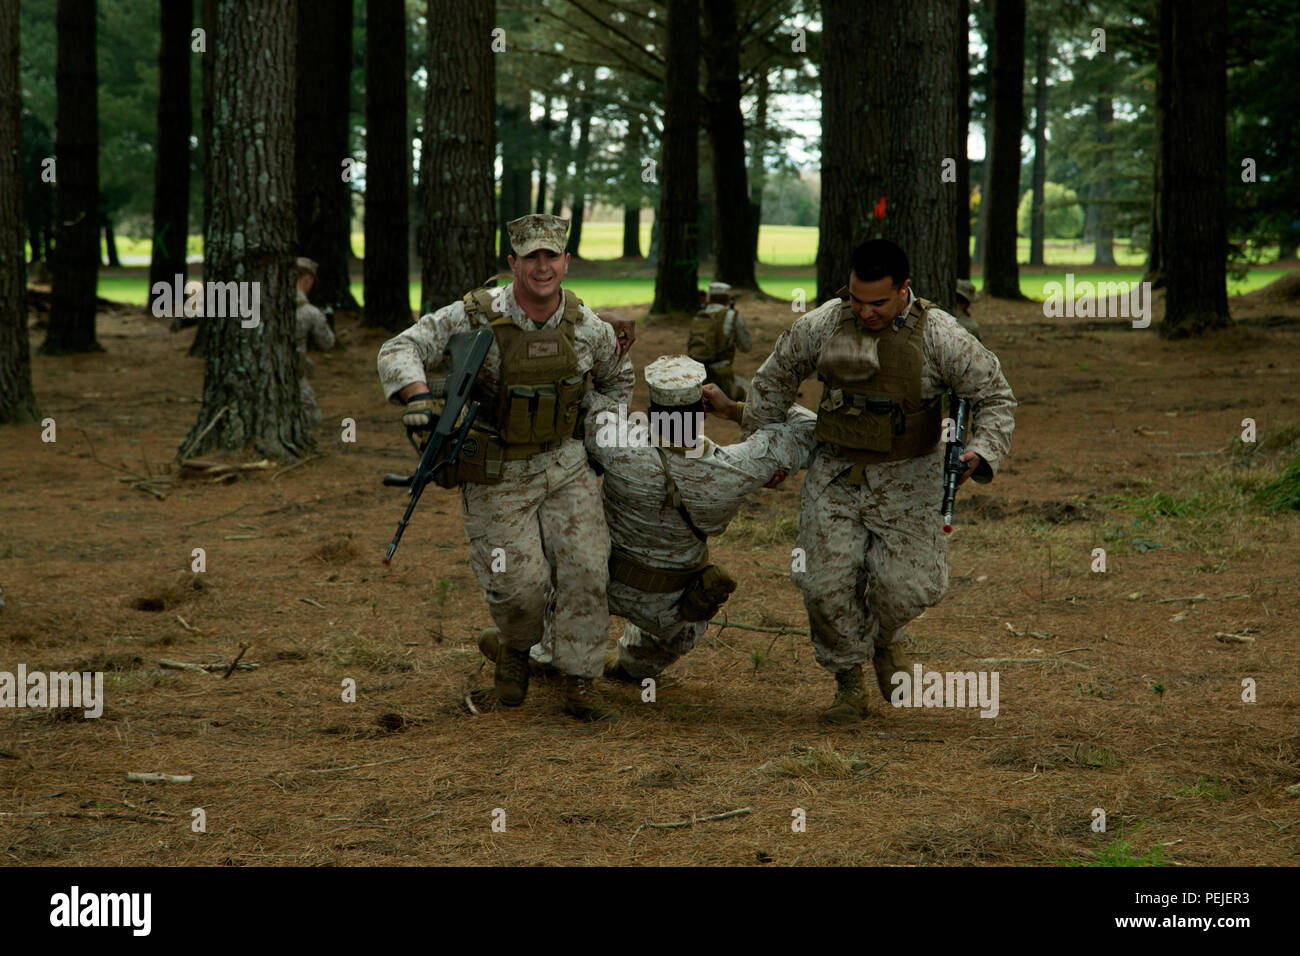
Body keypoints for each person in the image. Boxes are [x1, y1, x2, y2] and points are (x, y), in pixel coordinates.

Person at [741, 239, 1017, 723]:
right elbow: (773, 382)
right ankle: (849, 678)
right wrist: (764, 451)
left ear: (904, 290)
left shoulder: (941, 336)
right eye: (856, 299)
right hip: (837, 471)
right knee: (823, 585)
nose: (864, 312)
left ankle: (886, 639)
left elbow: (994, 396)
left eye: (878, 302)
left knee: (911, 588)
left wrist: (982, 450)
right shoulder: (824, 323)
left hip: (912, 477)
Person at [376, 214, 633, 722]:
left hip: (565, 464)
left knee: (586, 569)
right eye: (531, 257)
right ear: (513, 262)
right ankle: (516, 649)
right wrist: (420, 397)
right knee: (520, 584)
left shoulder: (587, 327)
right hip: (497, 471)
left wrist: (597, 429)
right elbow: (399, 347)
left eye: (551, 257)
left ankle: (580, 680)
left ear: (565, 262)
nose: (542, 267)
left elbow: (617, 382)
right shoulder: (473, 317)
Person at [480, 355, 816, 683]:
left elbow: (578, 396)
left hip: (601, 583)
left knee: (572, 567)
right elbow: (809, 429)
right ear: (701, 411)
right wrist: (733, 410)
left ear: (653, 411)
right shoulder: (737, 467)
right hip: (669, 605)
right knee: (689, 619)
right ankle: (634, 666)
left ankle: (542, 653)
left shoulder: (617, 443)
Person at [687, 281, 753, 401]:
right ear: (727, 300)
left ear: (709, 299)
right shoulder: (732, 316)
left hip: (697, 375)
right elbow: (746, 347)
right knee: (753, 394)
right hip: (721, 376)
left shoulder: (699, 316)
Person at [295, 258, 336, 427]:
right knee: (313, 419)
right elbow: (327, 342)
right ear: (307, 279)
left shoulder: (264, 303)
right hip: (293, 374)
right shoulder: (309, 312)